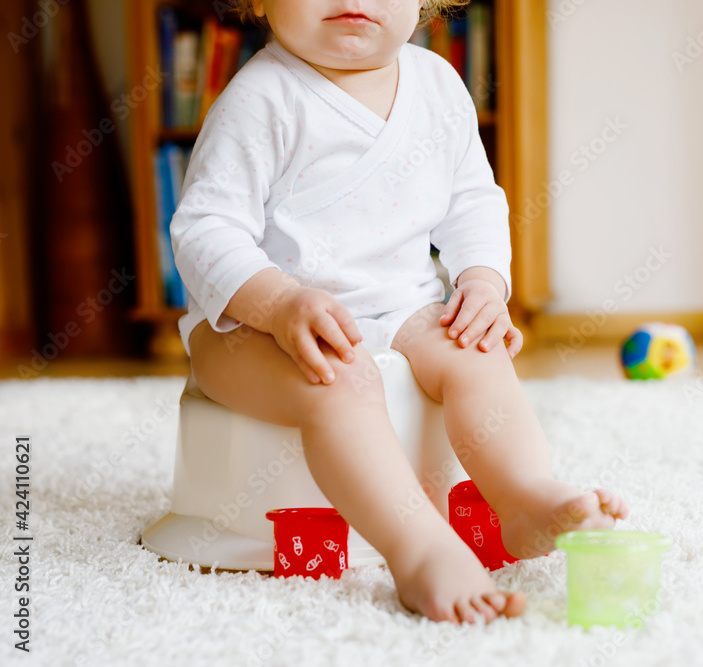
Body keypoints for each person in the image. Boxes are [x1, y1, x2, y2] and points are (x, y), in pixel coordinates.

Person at [171, 0, 628, 624]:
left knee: (475, 351)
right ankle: (418, 546)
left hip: (399, 304)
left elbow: (472, 200)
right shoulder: (262, 98)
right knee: (342, 380)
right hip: (250, 331)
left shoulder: (437, 83)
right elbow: (205, 228)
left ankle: (521, 499)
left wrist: (483, 282)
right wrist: (279, 303)